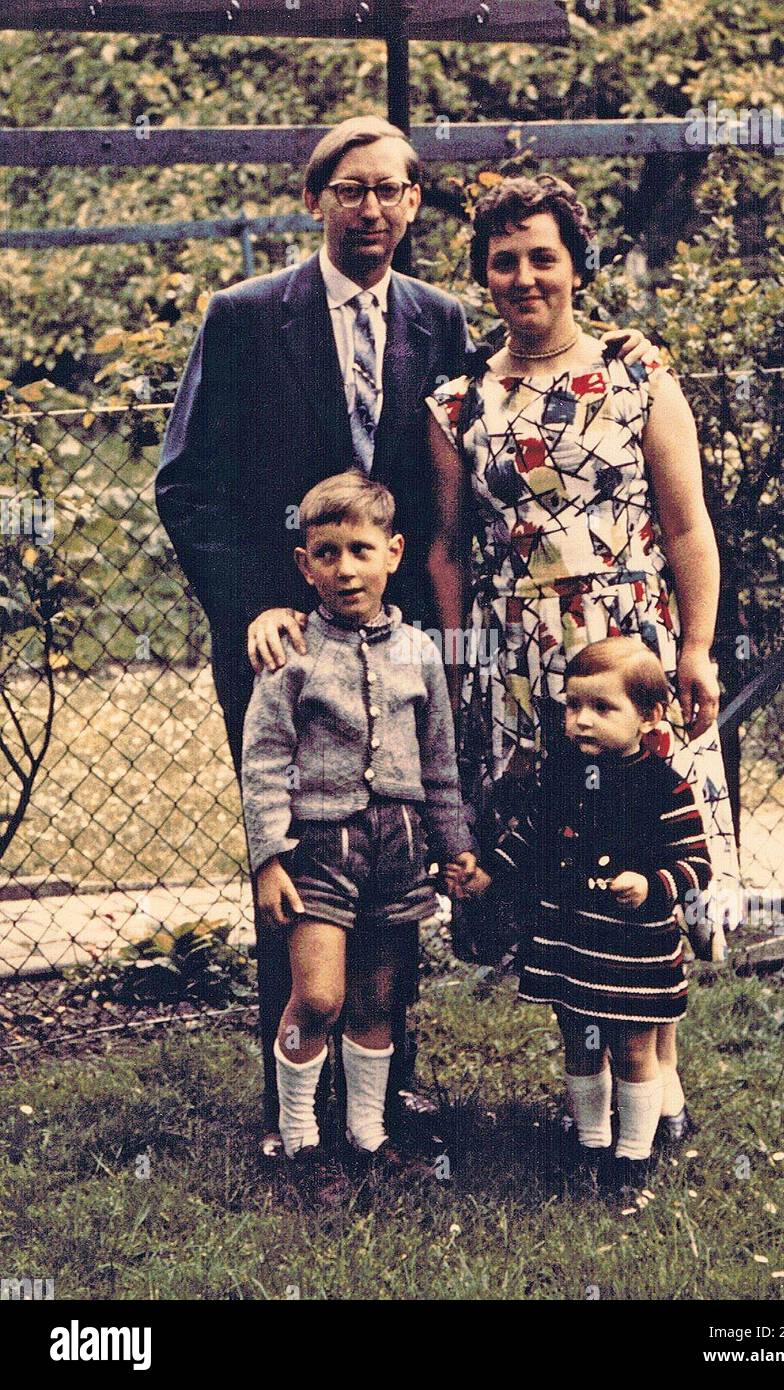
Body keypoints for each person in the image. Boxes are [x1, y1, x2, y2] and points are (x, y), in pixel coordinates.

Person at [156, 115, 657, 1160]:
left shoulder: (435, 319)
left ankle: (387, 1087)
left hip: (402, 648)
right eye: (350, 189)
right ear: (316, 199)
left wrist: (622, 348)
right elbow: (188, 482)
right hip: (283, 647)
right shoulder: (245, 317)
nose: (371, 208)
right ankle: (292, 1097)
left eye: (390, 190)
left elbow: (528, 365)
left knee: (400, 852)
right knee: (297, 853)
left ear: (413, 205)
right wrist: (254, 599)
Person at [426, 173, 743, 1148]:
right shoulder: (459, 404)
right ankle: (591, 1090)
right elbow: (441, 546)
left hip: (632, 645)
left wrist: (695, 644)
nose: (524, 277)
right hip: (523, 661)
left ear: (576, 265)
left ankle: (661, 1080)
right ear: (484, 272)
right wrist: (455, 661)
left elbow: (687, 524)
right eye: (505, 260)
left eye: (543, 257)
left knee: (647, 840)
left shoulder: (640, 373)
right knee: (563, 850)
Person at [240, 473, 477, 1184]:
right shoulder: (292, 653)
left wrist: (455, 847)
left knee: (378, 998)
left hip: (399, 849)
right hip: (320, 848)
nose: (345, 568)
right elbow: (262, 762)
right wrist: (268, 859)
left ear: (394, 553)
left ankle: (368, 1133)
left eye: (361, 550)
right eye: (327, 552)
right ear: (304, 563)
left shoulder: (421, 653)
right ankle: (300, 1137)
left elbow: (440, 763)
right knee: (318, 996)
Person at [447, 638, 712, 1197]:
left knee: (636, 1049)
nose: (581, 721)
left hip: (634, 949)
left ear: (650, 716)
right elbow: (530, 837)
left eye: (601, 708)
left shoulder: (665, 786)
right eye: (572, 707)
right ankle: (590, 1142)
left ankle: (633, 1156)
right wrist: (489, 873)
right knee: (580, 1041)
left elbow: (696, 864)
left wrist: (652, 884)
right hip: (571, 943)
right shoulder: (560, 774)